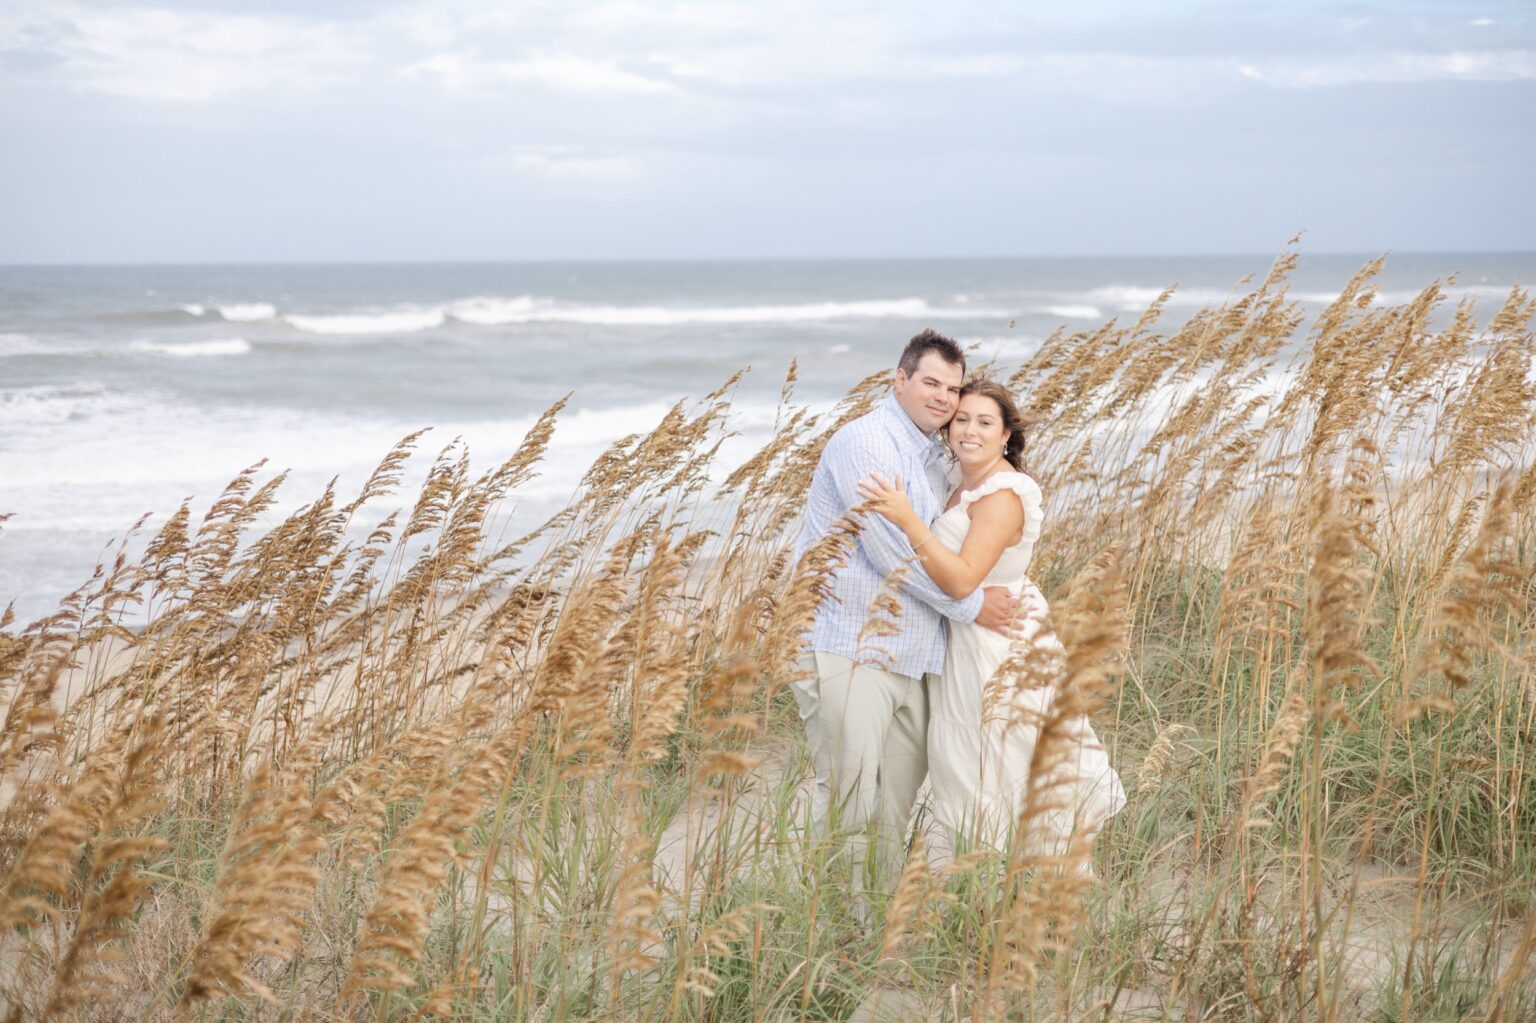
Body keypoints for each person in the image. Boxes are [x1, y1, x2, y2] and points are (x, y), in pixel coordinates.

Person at [856, 377, 1126, 855]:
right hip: (966, 639)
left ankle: (1033, 874)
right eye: (961, 419)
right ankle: (984, 879)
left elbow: (961, 580)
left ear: (1006, 435)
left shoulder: (1003, 494)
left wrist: (907, 519)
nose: (969, 431)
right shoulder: (960, 485)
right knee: (973, 758)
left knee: (1008, 754)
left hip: (999, 642)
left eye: (985, 422)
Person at [793, 330, 1020, 890]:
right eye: (931, 383)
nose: (944, 398)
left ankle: (876, 924)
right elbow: (888, 551)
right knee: (849, 793)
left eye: (953, 388)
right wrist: (970, 606)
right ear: (900, 380)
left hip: (915, 657)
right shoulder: (866, 443)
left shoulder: (934, 458)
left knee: (893, 805)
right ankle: (832, 931)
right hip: (848, 645)